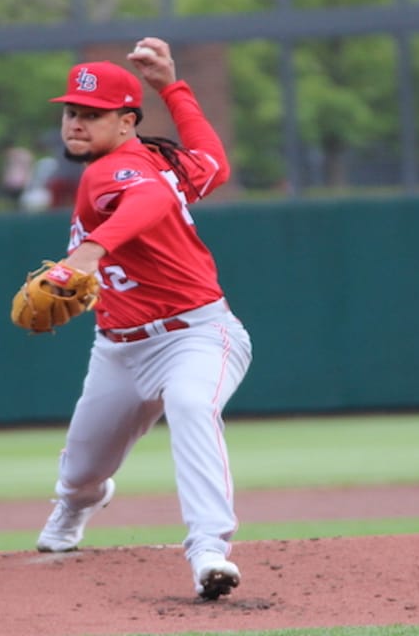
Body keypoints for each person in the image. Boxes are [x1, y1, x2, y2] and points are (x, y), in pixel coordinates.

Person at [26, 38, 253, 601]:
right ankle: (76, 506)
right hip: (119, 351)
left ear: (126, 122)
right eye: (71, 112)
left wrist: (90, 251)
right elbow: (215, 165)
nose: (76, 124)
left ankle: (209, 549)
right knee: (81, 471)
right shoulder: (157, 160)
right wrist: (171, 86)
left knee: (190, 403)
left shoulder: (119, 170)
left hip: (197, 334)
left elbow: (147, 201)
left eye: (93, 115)